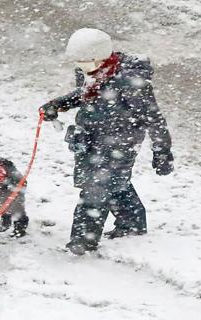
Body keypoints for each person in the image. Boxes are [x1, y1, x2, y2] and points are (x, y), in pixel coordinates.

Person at [41, 28, 175, 255]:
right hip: (92, 139)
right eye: (79, 62)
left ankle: (83, 240)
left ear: (101, 56)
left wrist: (162, 151)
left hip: (120, 144)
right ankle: (132, 223)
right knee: (114, 183)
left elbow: (153, 117)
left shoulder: (130, 80)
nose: (82, 67)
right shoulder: (94, 71)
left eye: (86, 62)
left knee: (95, 187)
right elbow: (83, 94)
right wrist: (58, 104)